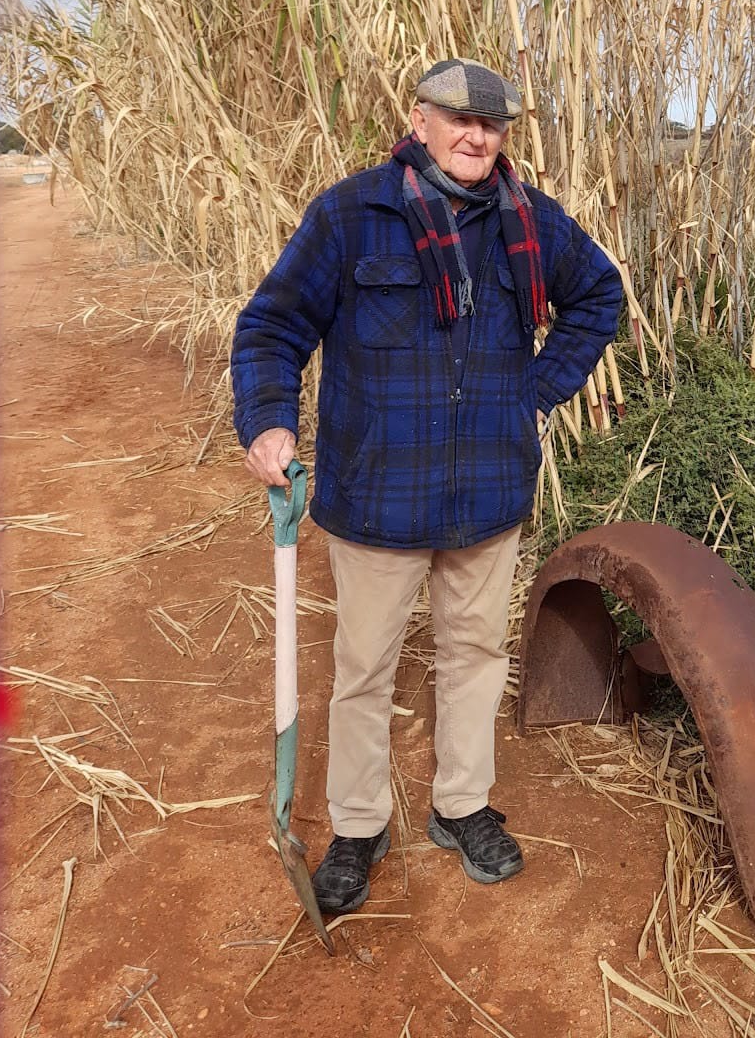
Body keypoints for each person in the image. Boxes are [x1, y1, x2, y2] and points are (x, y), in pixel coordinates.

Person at [232, 58, 623, 912]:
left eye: (493, 126)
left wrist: (539, 389)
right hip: (379, 493)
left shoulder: (531, 221)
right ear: (419, 121)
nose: (478, 137)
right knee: (365, 667)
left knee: (476, 656)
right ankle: (360, 826)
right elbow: (273, 324)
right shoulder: (352, 215)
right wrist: (267, 419)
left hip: (488, 490)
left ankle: (462, 805)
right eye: (459, 120)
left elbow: (599, 294)